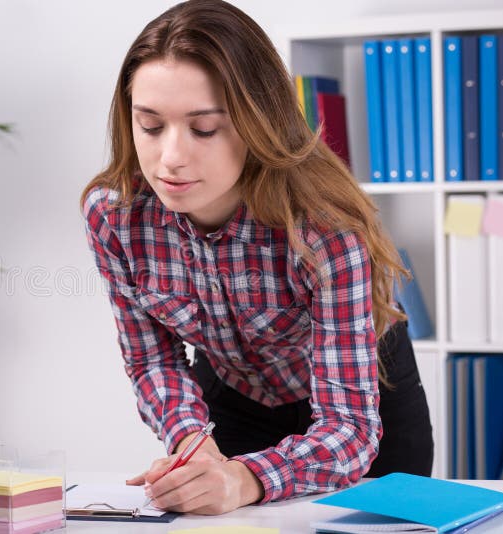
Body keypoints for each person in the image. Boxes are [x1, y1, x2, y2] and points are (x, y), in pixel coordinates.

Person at [81, 0, 433, 516]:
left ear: (256, 121)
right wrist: (190, 443)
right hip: (235, 389)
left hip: (360, 389)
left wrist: (245, 479)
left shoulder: (325, 231)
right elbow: (151, 358)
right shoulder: (114, 217)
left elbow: (350, 430)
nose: (170, 157)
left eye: (204, 129)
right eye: (150, 126)